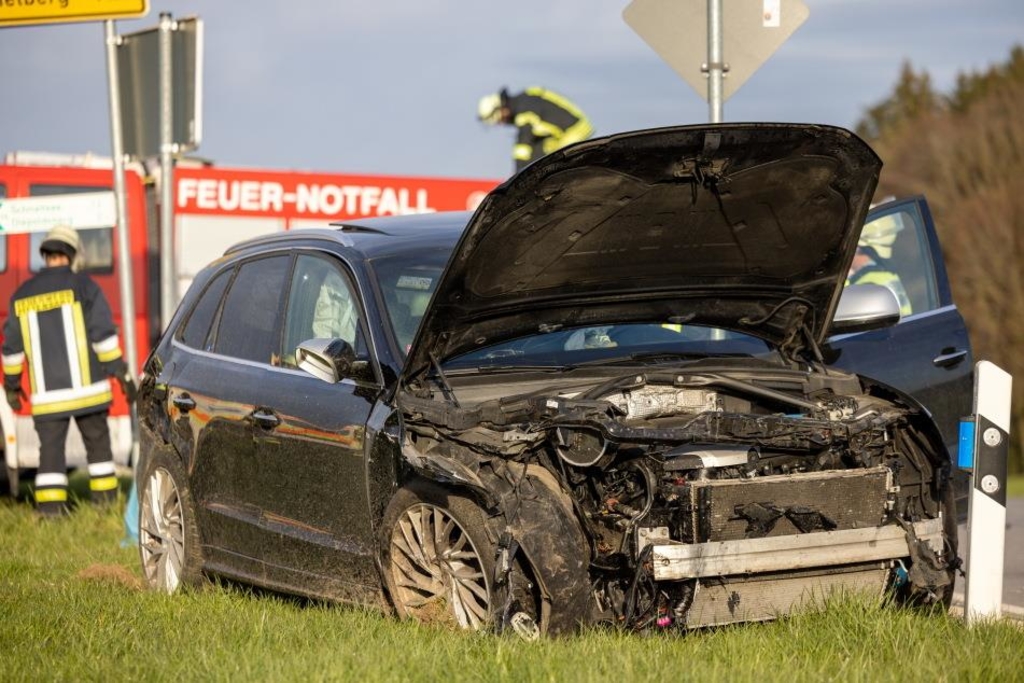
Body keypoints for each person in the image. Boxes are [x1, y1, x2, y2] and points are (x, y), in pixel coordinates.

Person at [2, 225, 136, 517]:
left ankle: (50, 513)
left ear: (46, 255)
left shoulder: (22, 295)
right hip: (90, 393)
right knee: (99, 453)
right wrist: (122, 374)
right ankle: (105, 509)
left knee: (49, 454)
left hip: (48, 398)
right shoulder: (86, 287)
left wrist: (11, 386)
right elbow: (104, 338)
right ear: (71, 254)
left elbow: (11, 349)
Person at [478, 86, 594, 172]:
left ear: (500, 108)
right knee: (538, 156)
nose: (500, 123)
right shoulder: (522, 101)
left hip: (574, 130)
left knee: (552, 163)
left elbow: (523, 141)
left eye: (497, 118)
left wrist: (517, 175)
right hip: (559, 135)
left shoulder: (523, 108)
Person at [847, 214, 912, 316]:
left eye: (849, 246)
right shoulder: (885, 276)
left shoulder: (869, 285)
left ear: (859, 248)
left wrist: (843, 279)